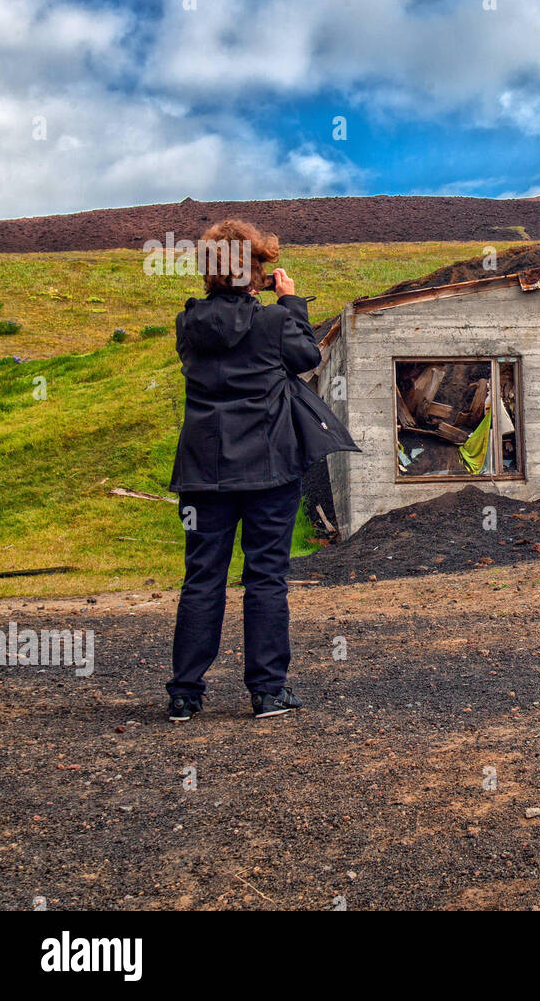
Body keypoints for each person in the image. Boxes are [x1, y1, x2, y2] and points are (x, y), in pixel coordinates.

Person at [165, 219, 357, 721]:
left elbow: (217, 340)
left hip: (203, 471)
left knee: (202, 578)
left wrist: (246, 291)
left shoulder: (187, 325)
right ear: (256, 273)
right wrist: (289, 301)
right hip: (270, 468)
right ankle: (267, 692)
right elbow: (308, 357)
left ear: (208, 273)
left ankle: (185, 694)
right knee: (265, 577)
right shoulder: (274, 322)